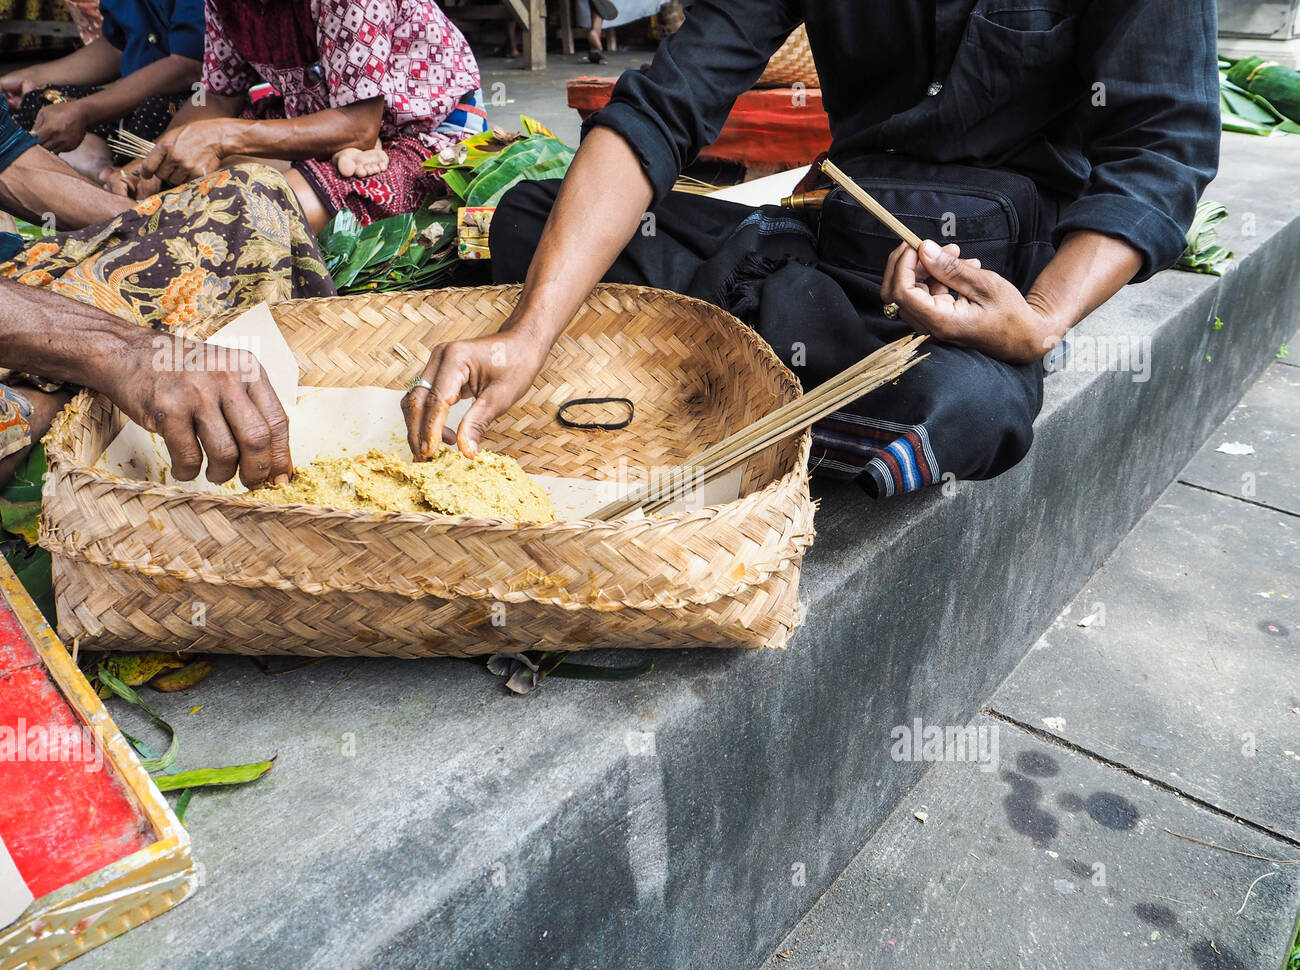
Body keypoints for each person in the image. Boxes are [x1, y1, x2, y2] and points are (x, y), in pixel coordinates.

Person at [402, 0, 1220, 503]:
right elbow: (662, 109)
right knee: (528, 220)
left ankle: (718, 365)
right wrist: (529, 332)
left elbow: (1163, 145)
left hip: (985, 297)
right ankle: (765, 367)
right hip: (834, 242)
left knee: (972, 405)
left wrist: (1039, 319)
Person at [0, 98, 333, 488]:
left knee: (251, 193)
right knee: (20, 415)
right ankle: (45, 411)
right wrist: (127, 354)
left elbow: (8, 159)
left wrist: (148, 220)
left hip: (18, 278)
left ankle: (51, 405)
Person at [109, 0, 482, 232]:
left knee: (263, 214)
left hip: (428, 129)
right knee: (187, 185)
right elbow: (220, 96)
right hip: (324, 120)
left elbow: (359, 127)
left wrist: (222, 137)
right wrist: (153, 160)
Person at [1, 0, 205, 182]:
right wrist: (25, 78)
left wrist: (85, 112)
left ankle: (125, 173)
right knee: (38, 103)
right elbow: (118, 46)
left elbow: (189, 65)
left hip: (191, 106)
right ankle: (104, 171)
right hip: (131, 110)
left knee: (151, 116)